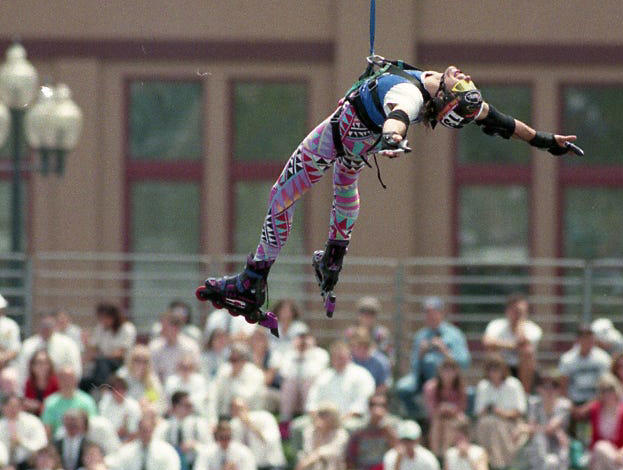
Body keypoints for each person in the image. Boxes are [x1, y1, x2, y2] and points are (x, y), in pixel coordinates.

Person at [197, 61, 581, 322]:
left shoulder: (412, 97)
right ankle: (333, 255)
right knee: (346, 178)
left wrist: (395, 137)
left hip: (340, 136)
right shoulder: (457, 94)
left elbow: (398, 115)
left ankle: (253, 278)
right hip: (363, 143)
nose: (455, 73)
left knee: (281, 195)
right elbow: (502, 123)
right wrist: (547, 141)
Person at [395, 296, 471, 419]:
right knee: (403, 388)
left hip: (448, 380)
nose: (430, 316)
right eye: (427, 313)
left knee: (465, 393)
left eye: (433, 312)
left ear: (441, 313)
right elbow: (413, 366)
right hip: (423, 378)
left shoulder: (454, 335)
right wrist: (420, 354)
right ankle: (419, 421)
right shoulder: (421, 335)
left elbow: (465, 363)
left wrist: (445, 352)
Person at [472, 356, 529, 470]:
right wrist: (489, 410)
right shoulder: (483, 386)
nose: (494, 373)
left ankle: (499, 464)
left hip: (512, 423)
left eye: (496, 370)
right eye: (491, 370)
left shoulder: (514, 384)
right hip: (487, 424)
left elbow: (520, 411)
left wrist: (500, 412)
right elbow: (478, 412)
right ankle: (495, 464)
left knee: (496, 425)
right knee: (490, 424)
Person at [482, 294, 543, 393]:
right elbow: (487, 342)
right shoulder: (496, 325)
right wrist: (513, 345)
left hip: (522, 370)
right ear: (507, 311)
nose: (518, 315)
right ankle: (494, 390)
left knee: (527, 353)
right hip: (502, 367)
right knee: (491, 352)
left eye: (521, 312)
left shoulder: (533, 329)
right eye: (515, 311)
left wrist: (520, 325)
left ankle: (524, 395)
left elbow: (524, 345)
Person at [557, 325, 611, 411]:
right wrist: (573, 408)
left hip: (596, 401)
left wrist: (588, 407)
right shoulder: (567, 359)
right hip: (572, 402)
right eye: (584, 339)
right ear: (578, 340)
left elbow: (605, 385)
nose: (587, 342)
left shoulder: (603, 358)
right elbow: (563, 386)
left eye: (590, 339)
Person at [423, 359, 469, 459]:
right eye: (445, 370)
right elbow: (431, 410)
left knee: (450, 425)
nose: (448, 374)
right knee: (438, 424)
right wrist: (441, 409)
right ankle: (436, 456)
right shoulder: (431, 387)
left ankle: (445, 457)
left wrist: (451, 410)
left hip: (454, 419)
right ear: (439, 372)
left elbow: (462, 408)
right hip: (436, 419)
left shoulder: (460, 387)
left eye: (451, 370)